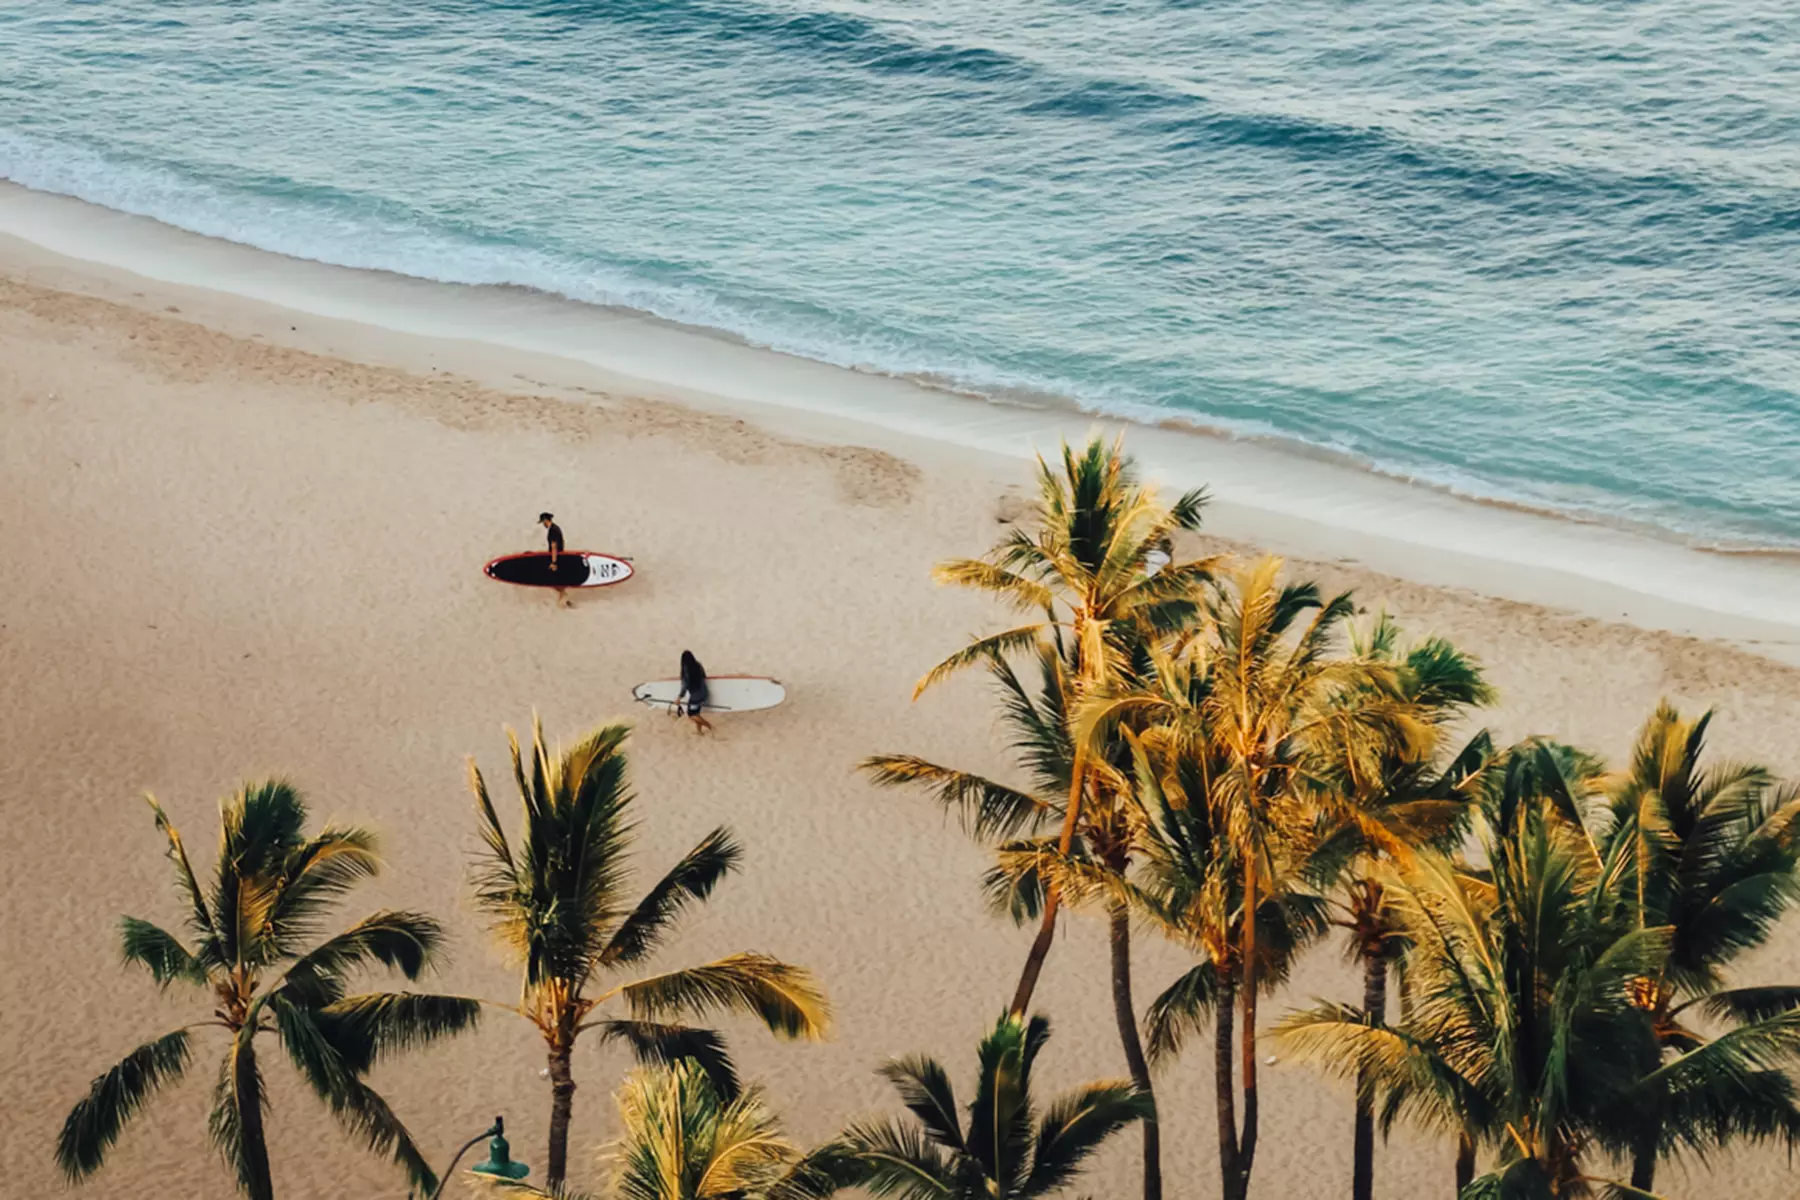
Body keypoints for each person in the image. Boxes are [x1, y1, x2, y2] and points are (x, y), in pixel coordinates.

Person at [675, 650, 713, 735]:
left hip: (696, 697)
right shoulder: (698, 665)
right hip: (704, 693)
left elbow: (685, 686)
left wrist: (679, 698)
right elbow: (704, 676)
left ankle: (709, 726)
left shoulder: (686, 670)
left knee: (691, 715)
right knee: (696, 713)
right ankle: (699, 732)